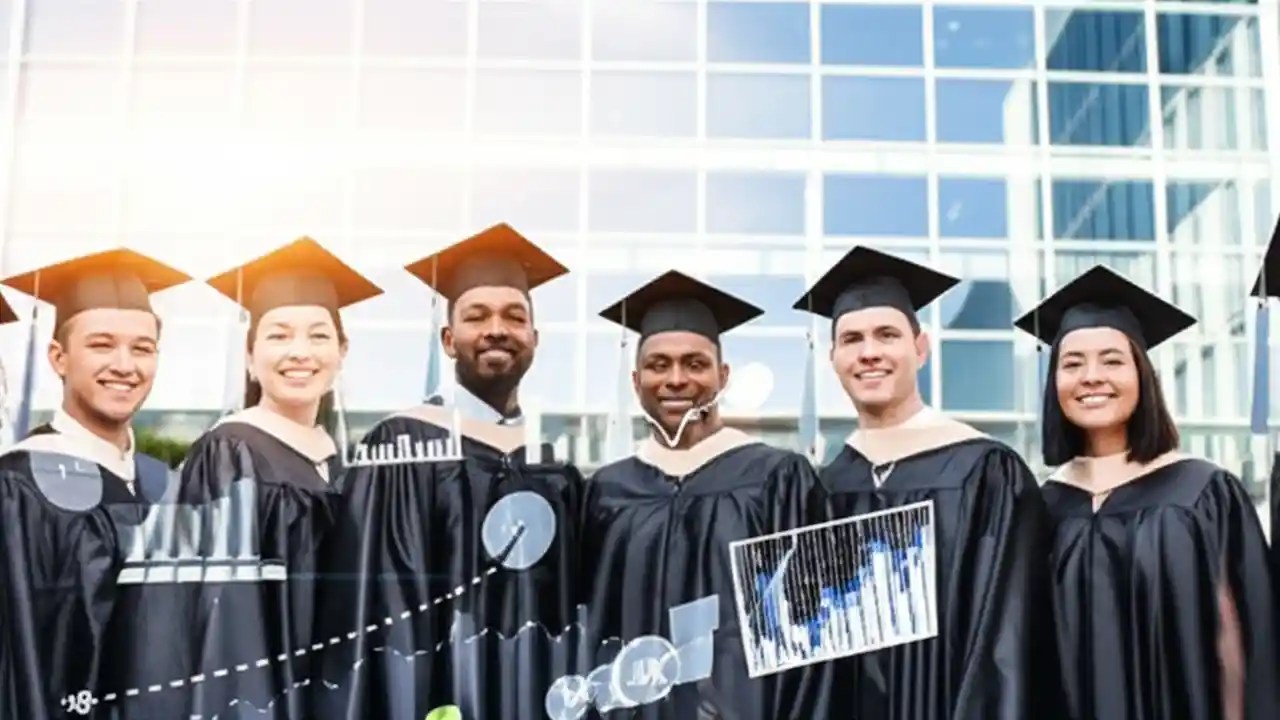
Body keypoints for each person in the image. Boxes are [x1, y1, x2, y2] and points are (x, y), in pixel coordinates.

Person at [94, 237, 383, 719]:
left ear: (342, 350)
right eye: (278, 335)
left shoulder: (342, 466)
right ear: (250, 357)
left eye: (318, 335)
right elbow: (216, 625)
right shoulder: (230, 452)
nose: (300, 352)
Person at [314, 223, 585, 720]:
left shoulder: (556, 472)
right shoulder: (401, 448)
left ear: (534, 338)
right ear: (449, 338)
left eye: (514, 317)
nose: (497, 329)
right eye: (476, 316)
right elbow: (378, 613)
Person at [792, 246, 1057, 720]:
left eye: (886, 335)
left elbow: (1008, 642)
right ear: (833, 357)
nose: (868, 352)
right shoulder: (826, 488)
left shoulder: (986, 472)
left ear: (920, 348)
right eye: (851, 339)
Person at [1015, 264, 1280, 720]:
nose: (1091, 377)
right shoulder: (1038, 510)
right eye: (1072, 364)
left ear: (1143, 375)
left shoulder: (1204, 493)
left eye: (1113, 360)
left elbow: (1247, 646)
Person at [575, 270, 823, 720]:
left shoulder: (777, 479)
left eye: (695, 363)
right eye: (658, 365)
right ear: (636, 381)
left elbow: (811, 635)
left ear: (722, 375)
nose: (675, 379)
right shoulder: (606, 492)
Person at [0, 248, 190, 718]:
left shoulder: (165, 487)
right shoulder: (19, 487)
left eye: (142, 348)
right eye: (102, 345)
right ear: (59, 358)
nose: (125, 365)